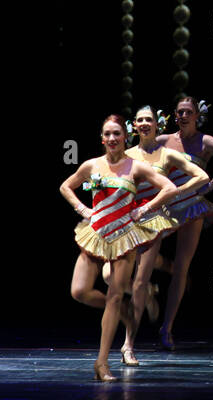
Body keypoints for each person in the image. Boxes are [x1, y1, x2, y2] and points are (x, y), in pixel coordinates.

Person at [61, 114, 182, 381]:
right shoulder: (92, 165)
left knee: (115, 296)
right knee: (79, 291)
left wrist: (144, 208)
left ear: (125, 137)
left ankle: (102, 363)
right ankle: (125, 313)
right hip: (95, 235)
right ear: (102, 138)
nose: (113, 138)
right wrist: (83, 208)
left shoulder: (136, 167)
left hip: (124, 238)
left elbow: (169, 187)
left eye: (117, 133)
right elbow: (66, 186)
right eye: (108, 134)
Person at [119, 105, 209, 362]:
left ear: (157, 125)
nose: (145, 123)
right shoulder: (124, 155)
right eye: (140, 120)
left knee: (138, 280)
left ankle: (128, 344)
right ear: (134, 126)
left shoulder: (166, 154)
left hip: (153, 221)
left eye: (149, 119)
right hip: (128, 221)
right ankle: (150, 291)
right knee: (108, 276)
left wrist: (173, 194)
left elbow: (201, 176)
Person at [156, 96, 213, 349]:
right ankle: (163, 267)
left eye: (187, 112)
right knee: (141, 252)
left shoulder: (205, 141)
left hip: (192, 206)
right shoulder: (164, 141)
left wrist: (210, 185)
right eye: (179, 112)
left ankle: (166, 328)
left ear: (196, 115)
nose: (182, 116)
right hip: (167, 205)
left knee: (183, 266)